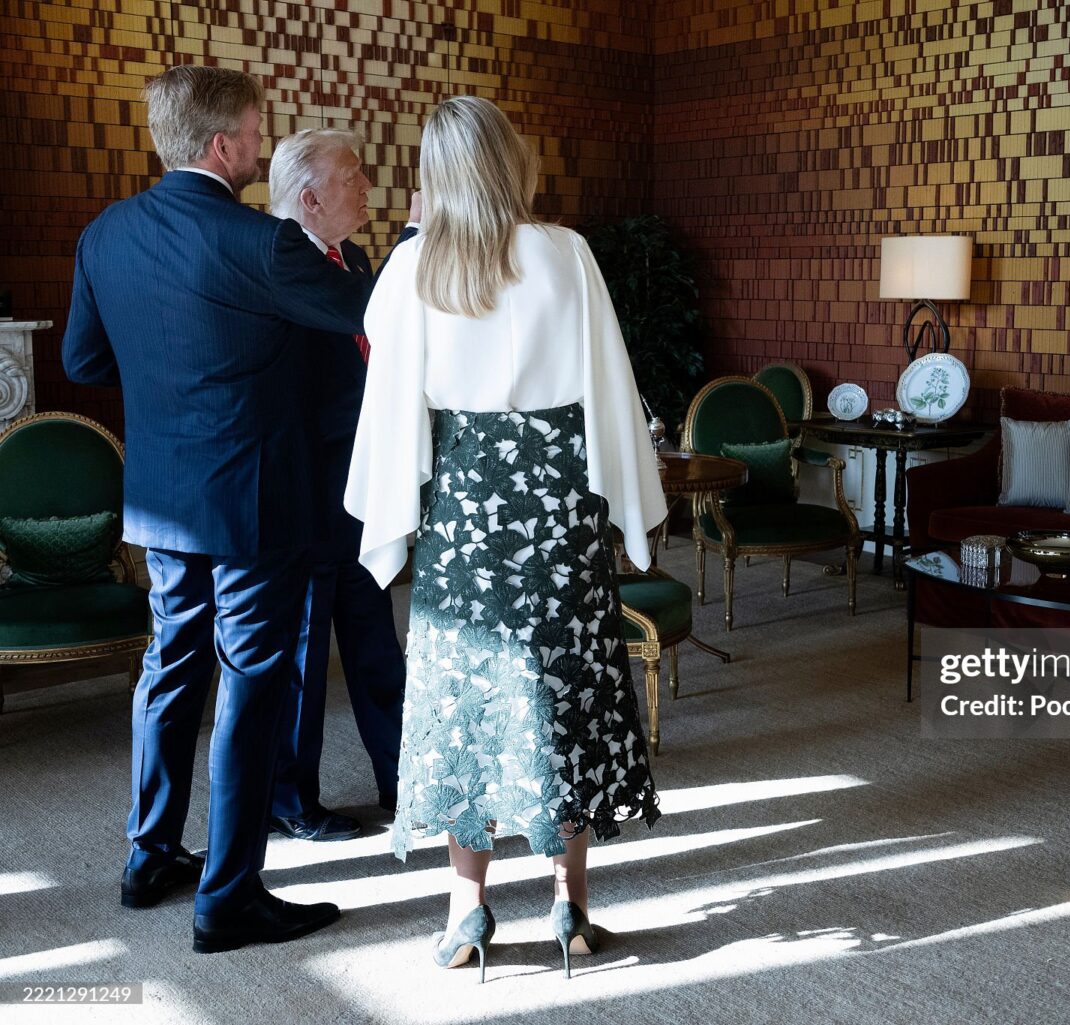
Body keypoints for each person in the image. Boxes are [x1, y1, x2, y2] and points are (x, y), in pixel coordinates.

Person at [343, 95, 666, 982]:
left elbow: (382, 377)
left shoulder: (414, 270)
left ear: (434, 177)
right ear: (511, 162)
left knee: (461, 704)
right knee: (566, 694)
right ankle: (571, 902)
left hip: (470, 521)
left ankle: (466, 910)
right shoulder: (568, 253)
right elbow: (611, 383)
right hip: (559, 514)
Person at [62, 66, 374, 953]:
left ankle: (150, 853)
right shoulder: (261, 243)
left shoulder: (104, 234)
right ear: (220, 145)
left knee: (171, 669)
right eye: (253, 129)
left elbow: (85, 361)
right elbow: (369, 316)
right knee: (251, 683)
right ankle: (229, 896)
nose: (259, 140)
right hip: (253, 502)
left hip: (161, 502)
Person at [264, 128, 412, 842]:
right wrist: (416, 238)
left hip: (357, 487)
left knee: (374, 637)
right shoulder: (279, 258)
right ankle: (293, 801)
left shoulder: (350, 256)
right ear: (311, 195)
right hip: (302, 489)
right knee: (302, 651)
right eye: (352, 176)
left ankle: (405, 778)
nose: (366, 188)